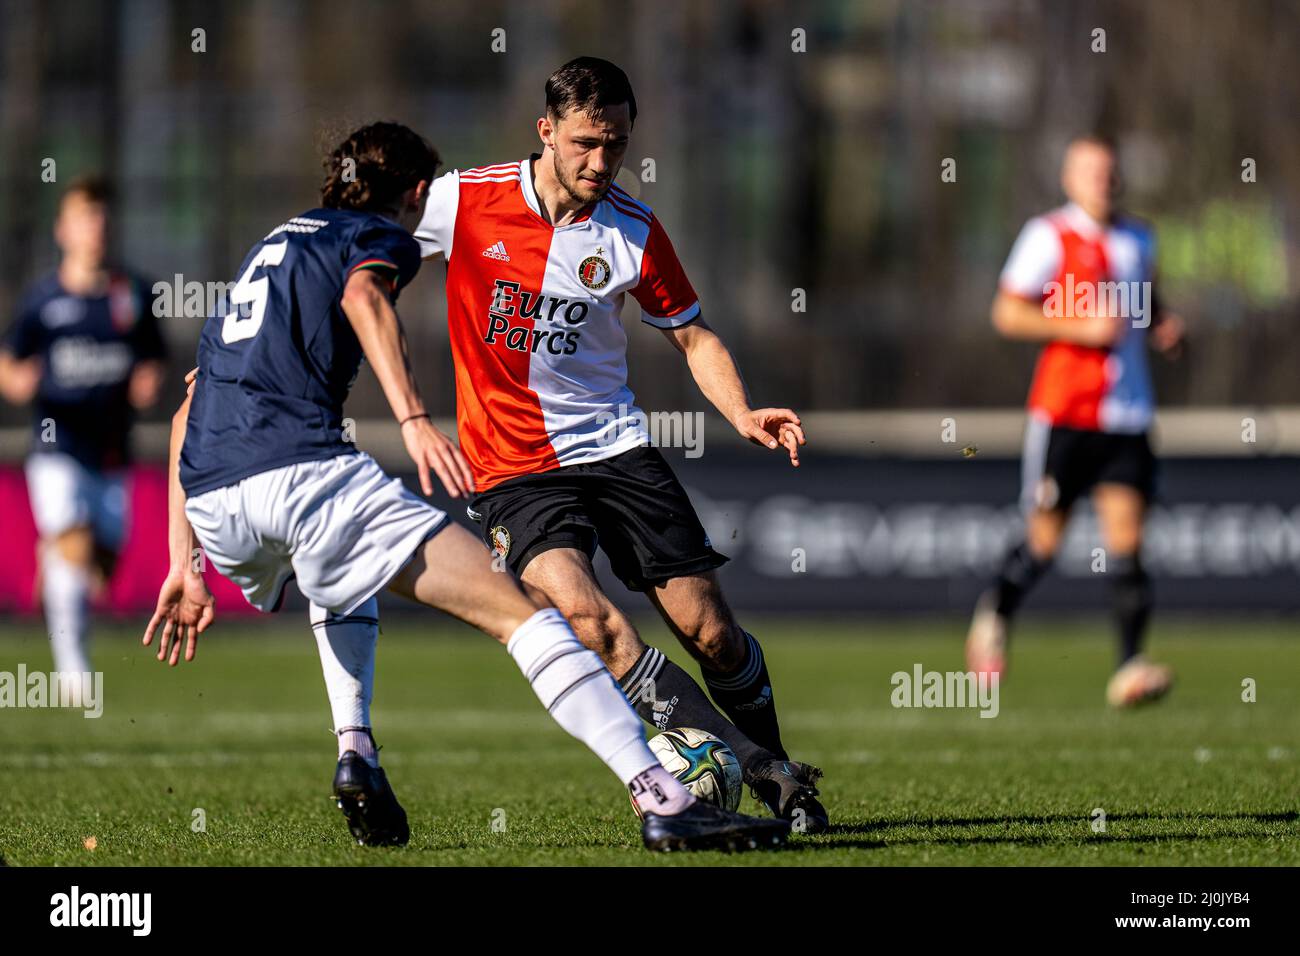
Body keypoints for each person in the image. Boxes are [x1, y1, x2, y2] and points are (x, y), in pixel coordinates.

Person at [142, 121, 788, 852]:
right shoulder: (373, 236)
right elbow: (364, 298)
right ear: (418, 192)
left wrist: (185, 565)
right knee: (530, 618)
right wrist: (414, 419)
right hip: (304, 476)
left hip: (214, 503)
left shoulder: (272, 250)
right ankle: (663, 796)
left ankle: (356, 748)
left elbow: (185, 414)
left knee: (340, 579)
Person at [413, 57, 826, 830]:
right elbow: (362, 248)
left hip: (614, 449)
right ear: (547, 131)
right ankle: (766, 769)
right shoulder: (464, 201)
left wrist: (739, 411)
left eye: (617, 144)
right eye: (585, 144)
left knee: (713, 633)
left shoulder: (632, 231)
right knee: (591, 623)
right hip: (513, 469)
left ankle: (780, 781)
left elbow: (693, 335)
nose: (602, 162)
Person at [966, 135, 1185, 707]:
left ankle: (1130, 664)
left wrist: (1162, 324)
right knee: (1044, 541)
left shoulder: (1140, 236)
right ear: (1069, 179)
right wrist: (1079, 327)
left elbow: (1146, 299)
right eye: (1091, 172)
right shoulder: (1049, 236)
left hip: (1129, 414)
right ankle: (995, 613)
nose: (1103, 182)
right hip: (1067, 414)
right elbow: (1008, 312)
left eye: (1110, 173)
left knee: (1129, 541)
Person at [0, 175, 166, 688]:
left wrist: (148, 380)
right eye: (84, 218)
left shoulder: (132, 294)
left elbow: (153, 358)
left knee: (101, 564)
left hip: (112, 450)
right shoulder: (44, 299)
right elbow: (9, 360)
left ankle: (52, 559)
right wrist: (17, 381)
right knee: (72, 541)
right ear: (63, 230)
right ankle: (74, 673)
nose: (96, 228)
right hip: (56, 445)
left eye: (101, 217)